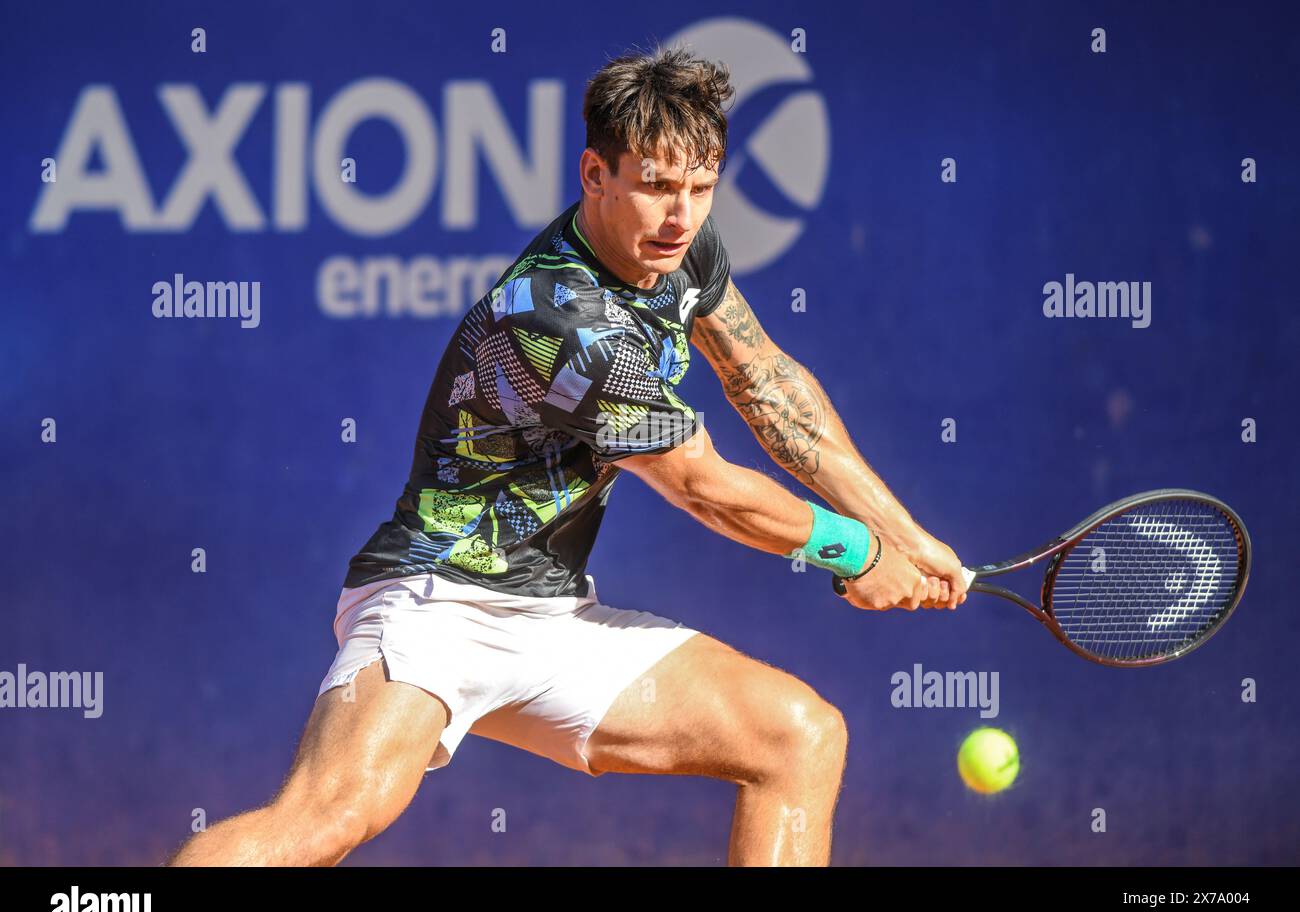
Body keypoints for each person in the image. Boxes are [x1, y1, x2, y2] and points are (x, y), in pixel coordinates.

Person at [166, 44, 967, 869]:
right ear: (595, 174)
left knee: (798, 736)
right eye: (656, 186)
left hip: (552, 616)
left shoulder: (679, 251)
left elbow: (767, 385)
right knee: (328, 819)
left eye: (700, 187)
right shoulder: (560, 320)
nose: (681, 216)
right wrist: (854, 550)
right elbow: (703, 488)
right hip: (439, 603)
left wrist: (907, 535)